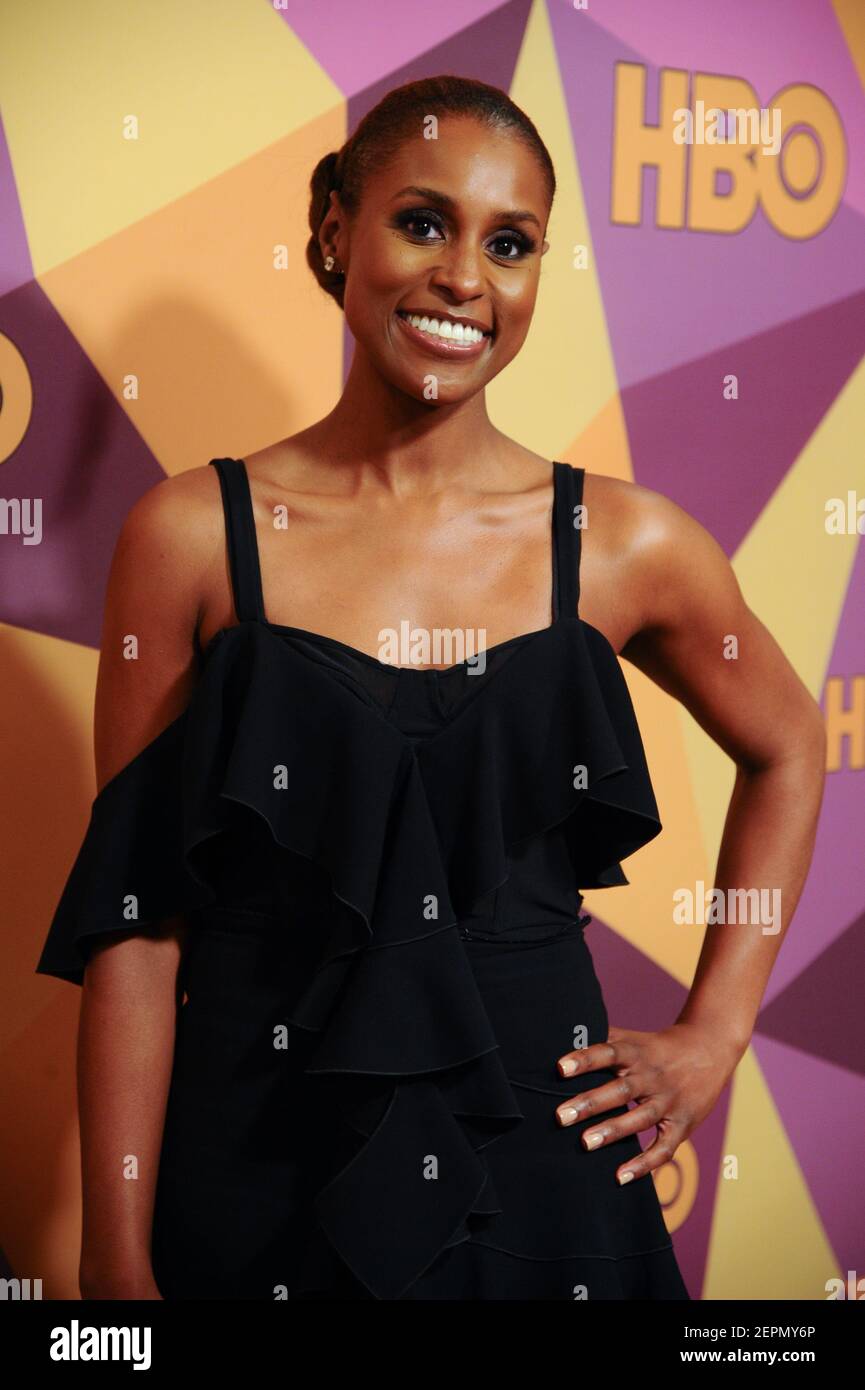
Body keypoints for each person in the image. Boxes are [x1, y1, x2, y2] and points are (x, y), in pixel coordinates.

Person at [38, 75, 826, 1301]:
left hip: (545, 1169)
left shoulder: (627, 545)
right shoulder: (189, 534)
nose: (465, 277)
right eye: (423, 222)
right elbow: (139, 923)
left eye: (508, 245)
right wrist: (114, 1259)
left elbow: (789, 746)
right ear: (335, 229)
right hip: (251, 1166)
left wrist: (716, 1028)